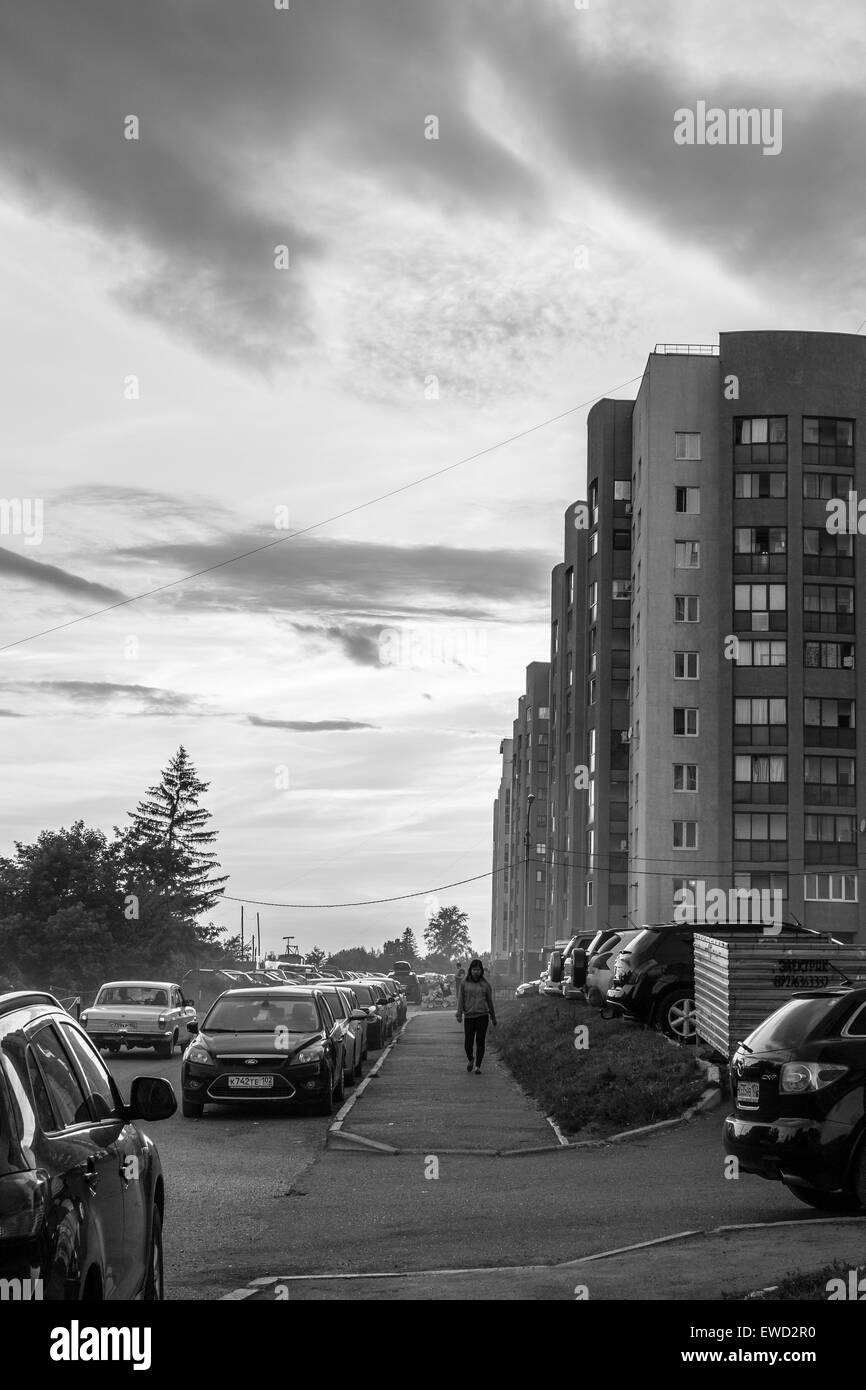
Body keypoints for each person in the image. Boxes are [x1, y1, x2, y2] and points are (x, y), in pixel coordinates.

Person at [455, 959, 497, 1074]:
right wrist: (459, 1014)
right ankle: (471, 1059)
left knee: (480, 1041)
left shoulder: (485, 985)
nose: (476, 972)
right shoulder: (464, 983)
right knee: (468, 1043)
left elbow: (490, 1002)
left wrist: (493, 1017)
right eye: (474, 969)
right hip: (469, 1017)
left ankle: (478, 1066)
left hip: (482, 1016)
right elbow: (460, 1000)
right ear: (470, 970)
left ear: (481, 971)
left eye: (478, 970)